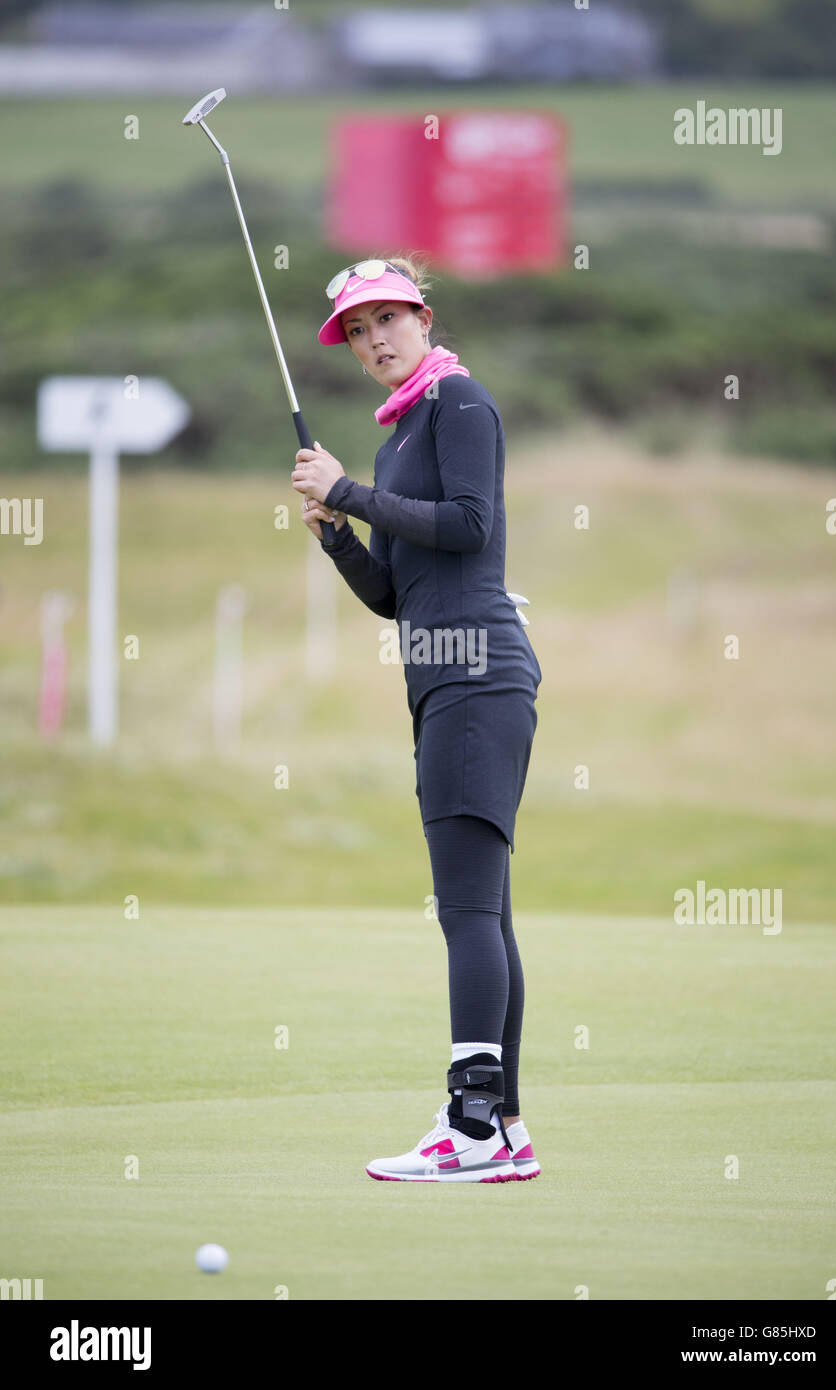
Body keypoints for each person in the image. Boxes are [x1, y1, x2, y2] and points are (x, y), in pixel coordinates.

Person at [291, 256, 543, 1183]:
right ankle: (501, 1128)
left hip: (478, 678)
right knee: (486, 914)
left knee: (468, 912)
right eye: (358, 331)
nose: (374, 341)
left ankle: (471, 1127)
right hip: (444, 681)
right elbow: (398, 595)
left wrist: (350, 489)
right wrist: (337, 532)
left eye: (387, 319)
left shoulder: (459, 404)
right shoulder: (399, 436)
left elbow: (472, 525)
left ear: (423, 319)